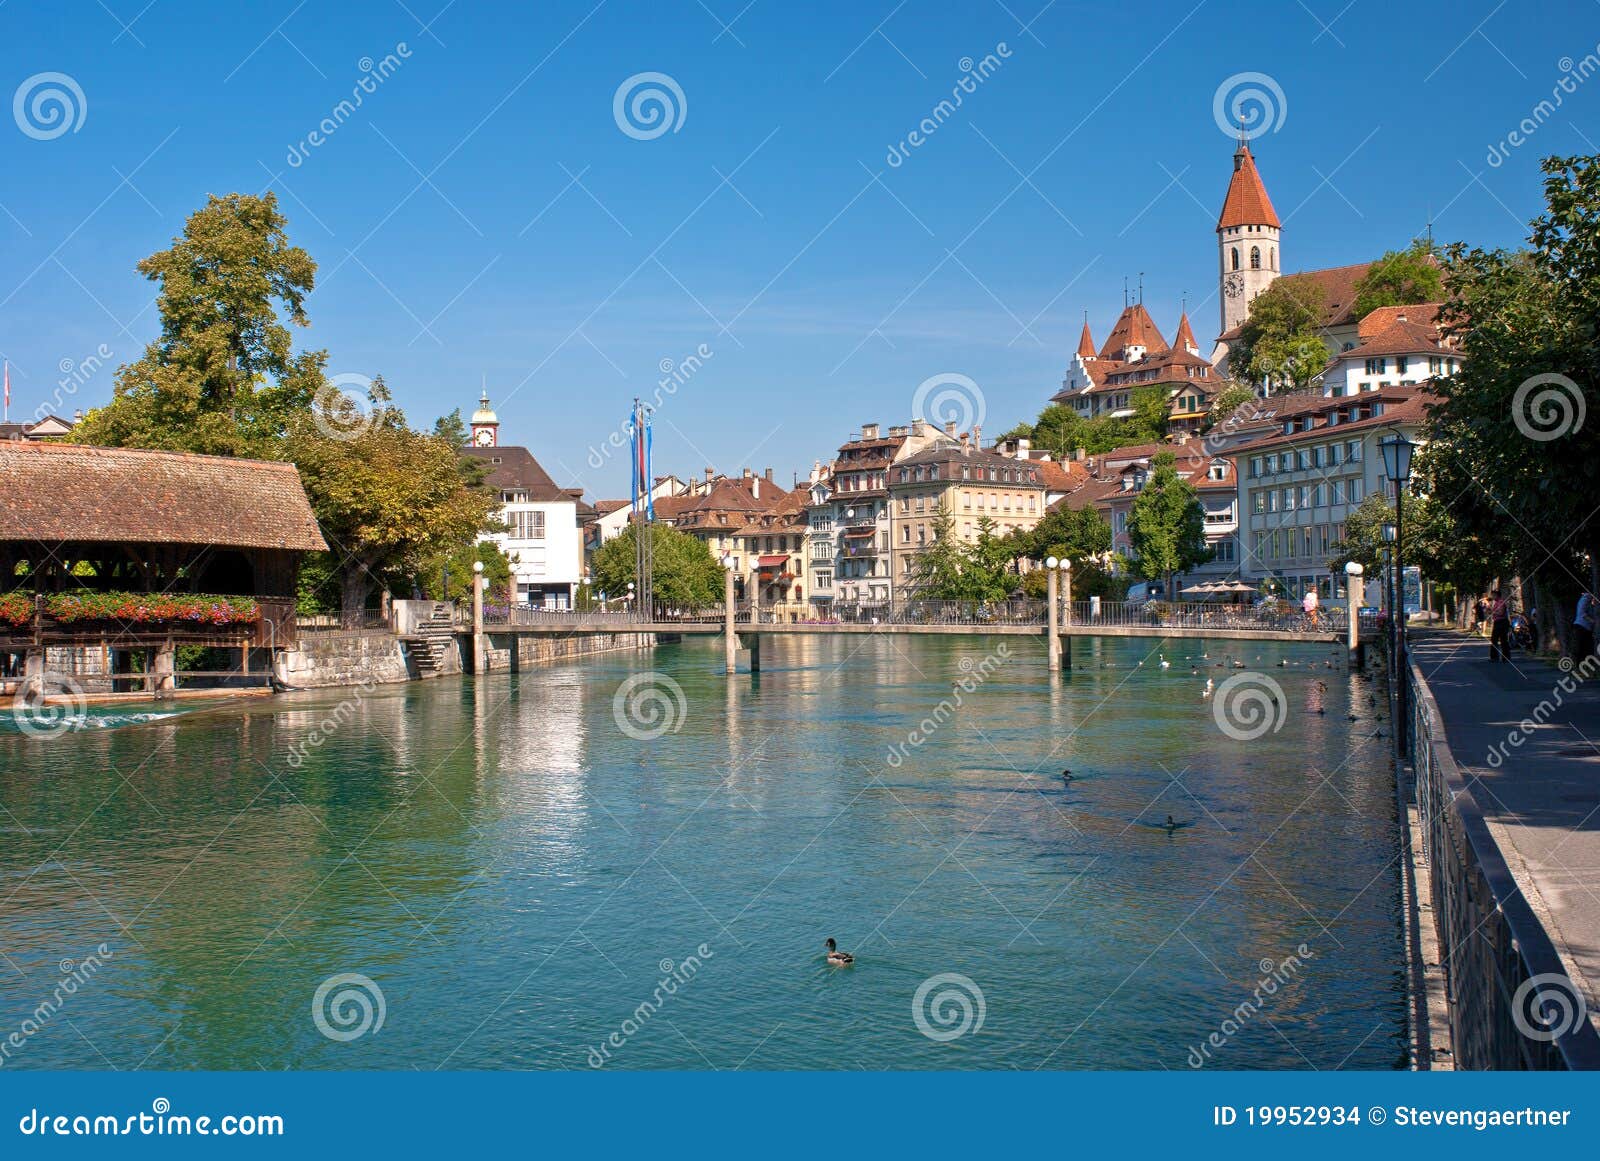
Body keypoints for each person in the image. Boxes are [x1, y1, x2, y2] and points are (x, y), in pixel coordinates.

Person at [1489, 589, 1511, 663]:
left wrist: (1492, 611)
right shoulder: (1496, 603)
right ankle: (1498, 657)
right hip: (1497, 622)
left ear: (1496, 595)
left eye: (1493, 595)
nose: (1492, 596)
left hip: (1501, 622)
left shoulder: (1501, 602)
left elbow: (1501, 613)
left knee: (1500, 640)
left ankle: (1502, 657)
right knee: (1496, 639)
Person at [1575, 590, 1597, 661]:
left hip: (1587, 628)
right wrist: (1594, 622)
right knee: (1581, 647)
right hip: (1581, 626)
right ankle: (1578, 664)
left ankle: (1587, 663)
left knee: (1588, 648)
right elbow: (1582, 614)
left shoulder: (1591, 601)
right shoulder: (1585, 598)